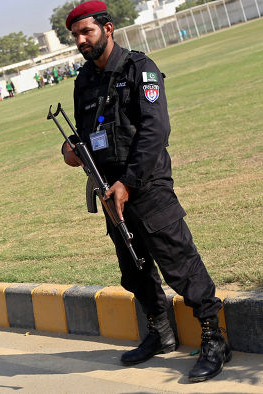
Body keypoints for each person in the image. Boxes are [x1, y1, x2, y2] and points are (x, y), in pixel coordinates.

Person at [61, 1, 230, 383]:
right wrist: (70, 150)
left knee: (179, 264)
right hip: (109, 192)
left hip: (147, 185)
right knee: (134, 269)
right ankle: (160, 332)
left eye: (86, 31)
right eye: (75, 35)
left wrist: (129, 182)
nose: (80, 40)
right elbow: (85, 133)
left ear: (108, 28)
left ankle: (214, 339)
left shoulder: (140, 69)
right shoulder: (84, 80)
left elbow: (156, 131)